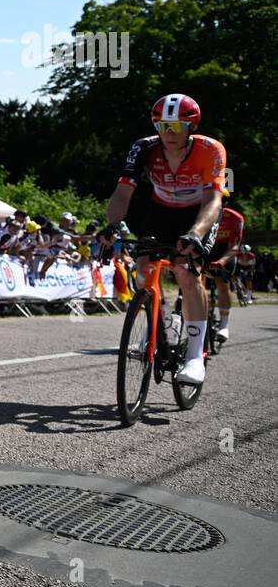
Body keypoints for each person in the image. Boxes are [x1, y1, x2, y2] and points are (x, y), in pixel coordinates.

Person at [102, 94, 225, 386]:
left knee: (185, 270)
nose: (169, 133)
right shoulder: (143, 148)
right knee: (143, 271)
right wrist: (112, 226)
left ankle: (195, 357)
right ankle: (160, 322)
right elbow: (123, 193)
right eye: (163, 125)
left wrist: (196, 233)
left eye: (177, 127)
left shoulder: (211, 150)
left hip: (198, 212)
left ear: (191, 127)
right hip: (160, 210)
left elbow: (213, 200)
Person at [206, 203, 244, 341]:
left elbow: (234, 246)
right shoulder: (202, 213)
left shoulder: (235, 218)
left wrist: (222, 261)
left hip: (225, 250)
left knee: (222, 284)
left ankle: (224, 325)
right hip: (207, 249)